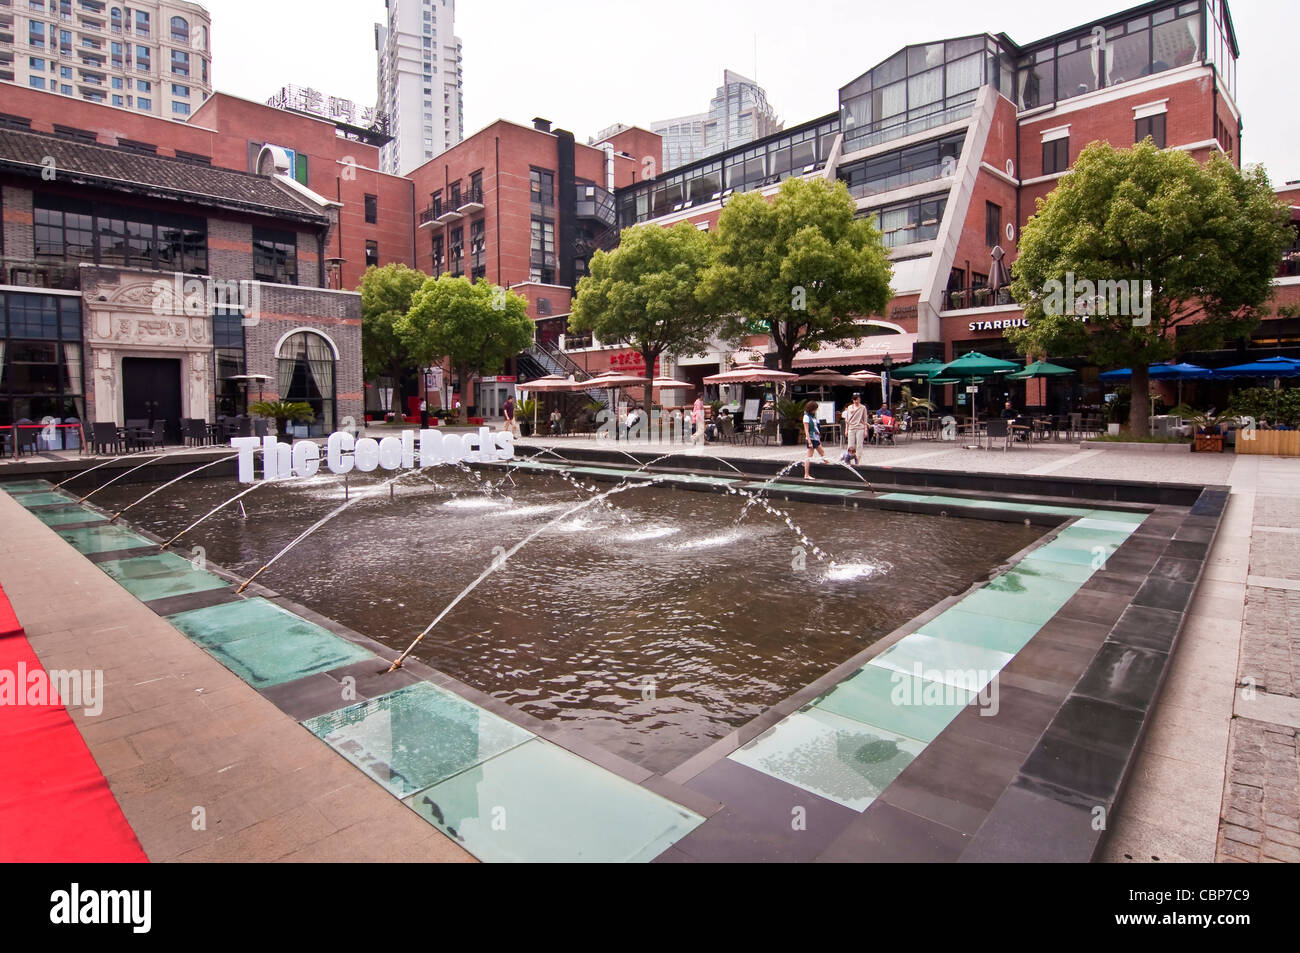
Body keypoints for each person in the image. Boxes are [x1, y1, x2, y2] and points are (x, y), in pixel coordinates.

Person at [803, 400, 827, 479]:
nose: (816, 410)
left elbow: (816, 427)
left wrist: (819, 438)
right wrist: (809, 442)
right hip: (811, 438)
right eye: (815, 408)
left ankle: (829, 464)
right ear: (811, 408)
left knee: (822, 452)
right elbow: (806, 430)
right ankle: (806, 474)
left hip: (816, 438)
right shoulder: (806, 417)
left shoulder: (813, 416)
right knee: (809, 456)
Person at [842, 392, 868, 461]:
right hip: (851, 428)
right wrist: (846, 429)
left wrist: (865, 430)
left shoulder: (863, 407)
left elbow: (865, 419)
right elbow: (847, 420)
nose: (856, 401)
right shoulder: (849, 407)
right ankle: (848, 459)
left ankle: (858, 461)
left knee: (859, 445)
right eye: (854, 399)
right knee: (850, 445)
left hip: (860, 428)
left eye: (857, 399)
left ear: (860, 399)